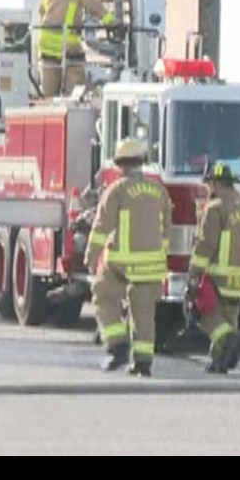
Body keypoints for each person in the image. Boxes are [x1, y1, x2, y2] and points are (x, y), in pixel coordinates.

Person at [84, 139, 172, 377]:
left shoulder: (117, 191)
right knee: (144, 314)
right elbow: (166, 230)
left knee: (103, 295)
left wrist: (91, 256)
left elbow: (102, 227)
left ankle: (117, 347)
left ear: (120, 164)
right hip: (153, 266)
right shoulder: (160, 191)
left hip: (121, 263)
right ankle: (143, 363)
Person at [186, 161, 240, 374]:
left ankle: (228, 340)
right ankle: (221, 360)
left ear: (217, 183)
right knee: (229, 317)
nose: (208, 187)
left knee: (203, 312)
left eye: (210, 183)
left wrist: (194, 275)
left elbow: (206, 245)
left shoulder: (215, 208)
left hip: (219, 276)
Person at [36, 0, 118, 98]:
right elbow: (96, 7)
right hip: (68, 46)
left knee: (48, 96)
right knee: (75, 89)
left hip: (46, 47)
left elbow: (41, 10)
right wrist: (113, 23)